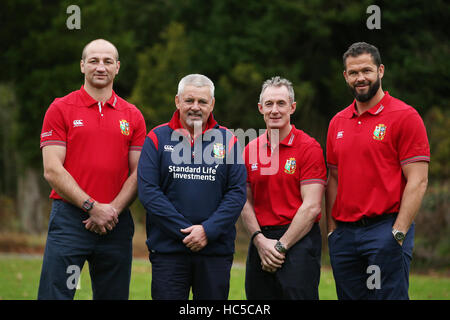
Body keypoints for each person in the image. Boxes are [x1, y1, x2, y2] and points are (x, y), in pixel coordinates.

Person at [38, 39, 147, 300]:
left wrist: (111, 211)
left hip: (115, 223)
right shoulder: (60, 108)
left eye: (108, 61)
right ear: (82, 65)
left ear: (117, 67)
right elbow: (52, 169)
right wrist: (92, 207)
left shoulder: (132, 115)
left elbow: (138, 173)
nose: (101, 67)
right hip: (70, 220)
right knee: (56, 295)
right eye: (94, 61)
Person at [326, 42, 430, 300]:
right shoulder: (337, 122)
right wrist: (332, 231)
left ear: (380, 71)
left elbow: (418, 180)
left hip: (386, 230)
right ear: (345, 76)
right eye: (353, 72)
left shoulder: (405, 116)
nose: (360, 78)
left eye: (366, 70)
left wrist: (398, 232)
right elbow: (334, 178)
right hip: (345, 236)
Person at [137, 74, 247, 300]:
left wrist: (207, 231)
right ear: (177, 101)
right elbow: (148, 191)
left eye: (202, 102)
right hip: (168, 252)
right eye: (189, 100)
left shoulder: (230, 140)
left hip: (215, 252)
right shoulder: (156, 138)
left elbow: (236, 193)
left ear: (212, 104)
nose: (195, 107)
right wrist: (186, 232)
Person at [241, 76, 327, 300]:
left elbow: (312, 207)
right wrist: (259, 240)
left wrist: (280, 247)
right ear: (261, 108)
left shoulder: (309, 148)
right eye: (269, 104)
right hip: (260, 241)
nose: (275, 110)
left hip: (298, 239)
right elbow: (244, 201)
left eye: (281, 103)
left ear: (292, 107)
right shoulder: (250, 149)